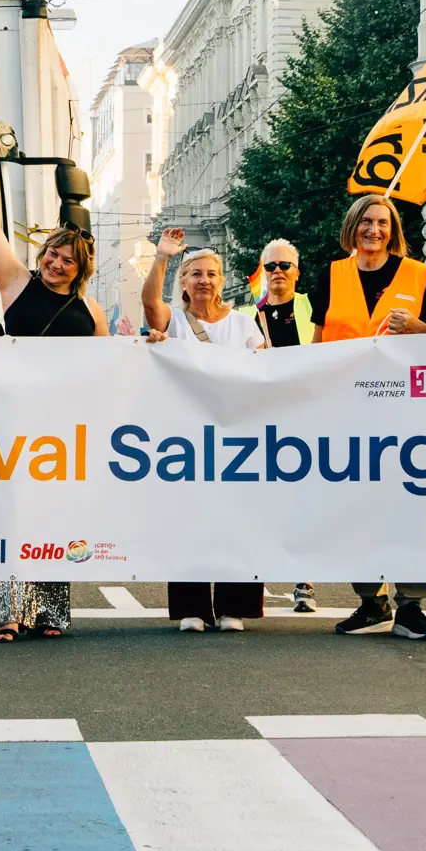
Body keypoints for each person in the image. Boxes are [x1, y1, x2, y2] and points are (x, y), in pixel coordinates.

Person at [0, 144, 105, 640]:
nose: (55, 264)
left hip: (65, 427)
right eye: (51, 254)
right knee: (13, 513)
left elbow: (110, 369)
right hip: (14, 420)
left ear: (80, 270)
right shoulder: (16, 283)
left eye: (66, 261)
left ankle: (52, 613)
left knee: (54, 515)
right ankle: (10, 612)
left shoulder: (92, 313)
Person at [308, 195, 426, 639]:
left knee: (408, 505)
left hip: (404, 410)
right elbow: (318, 342)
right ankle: (371, 601)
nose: (374, 229)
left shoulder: (417, 274)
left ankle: (410, 605)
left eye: (383, 223)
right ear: (353, 226)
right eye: (366, 221)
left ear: (394, 230)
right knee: (356, 506)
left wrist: (418, 329)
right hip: (348, 411)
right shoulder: (331, 275)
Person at [142, 226, 268, 633]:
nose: (204, 280)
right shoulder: (174, 323)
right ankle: (193, 608)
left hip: (238, 437)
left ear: (222, 280)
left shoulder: (245, 324)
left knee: (240, 518)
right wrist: (162, 255)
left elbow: (266, 372)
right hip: (187, 439)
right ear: (183, 281)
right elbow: (149, 303)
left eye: (211, 273)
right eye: (195, 273)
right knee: (189, 518)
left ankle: (234, 607)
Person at [255, 239, 319, 611]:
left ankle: (304, 583)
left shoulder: (313, 308)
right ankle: (257, 579)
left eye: (284, 265)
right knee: (264, 500)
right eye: (270, 267)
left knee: (303, 501)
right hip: (264, 418)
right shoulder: (250, 311)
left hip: (307, 416)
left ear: (297, 271)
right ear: (262, 272)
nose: (277, 272)